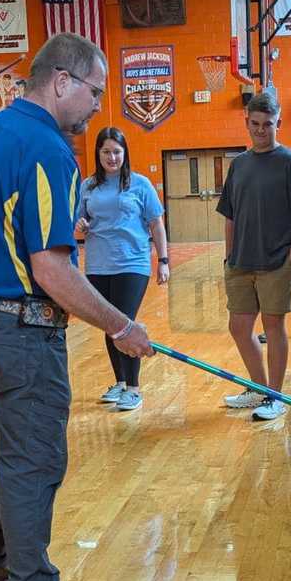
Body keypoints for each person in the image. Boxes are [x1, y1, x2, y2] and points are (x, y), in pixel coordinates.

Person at [0, 32, 153, 581]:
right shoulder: (49, 150)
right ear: (61, 81)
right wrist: (122, 326)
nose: (96, 105)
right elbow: (52, 271)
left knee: (20, 446)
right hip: (22, 328)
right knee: (36, 456)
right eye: (94, 91)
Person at [216, 91, 291, 422]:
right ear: (247, 122)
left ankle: (275, 396)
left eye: (268, 124)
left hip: (276, 263)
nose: (261, 130)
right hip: (240, 262)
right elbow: (229, 214)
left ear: (279, 124)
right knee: (239, 327)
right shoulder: (239, 164)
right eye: (255, 124)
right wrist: (229, 256)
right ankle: (258, 388)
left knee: (273, 326)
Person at [75, 126, 169, 411]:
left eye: (117, 152)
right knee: (109, 324)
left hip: (132, 263)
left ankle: (133, 388)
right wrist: (80, 225)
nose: (112, 157)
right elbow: (78, 220)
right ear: (98, 154)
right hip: (98, 264)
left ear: (125, 153)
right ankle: (119, 382)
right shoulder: (88, 186)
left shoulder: (140, 185)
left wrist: (163, 261)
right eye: (106, 152)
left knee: (124, 323)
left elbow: (156, 224)